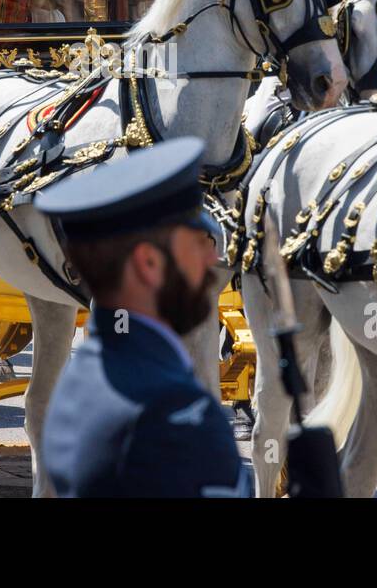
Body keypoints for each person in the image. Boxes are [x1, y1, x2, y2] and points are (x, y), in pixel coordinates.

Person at [36, 137, 249, 497]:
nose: (211, 260)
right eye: (199, 243)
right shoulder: (178, 414)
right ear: (149, 264)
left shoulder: (82, 378)